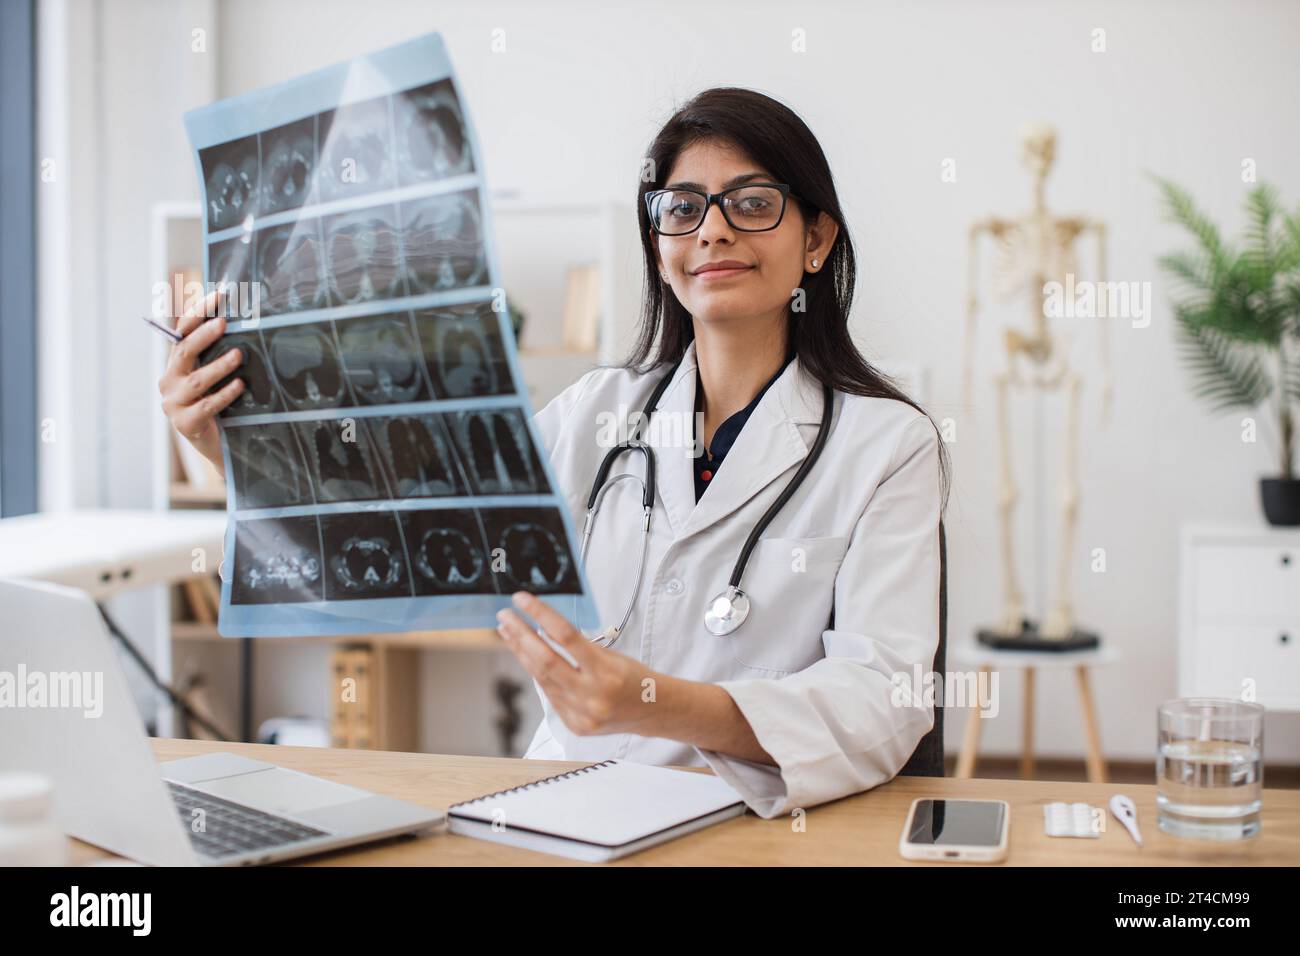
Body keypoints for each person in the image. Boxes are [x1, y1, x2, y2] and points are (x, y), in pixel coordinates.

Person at [158, 87, 948, 819]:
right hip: (566, 803)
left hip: (750, 820)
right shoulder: (598, 412)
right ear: (659, 242)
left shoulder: (886, 445)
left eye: (752, 203)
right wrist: (230, 446)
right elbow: (415, 542)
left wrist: (651, 702)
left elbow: (887, 697)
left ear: (815, 239)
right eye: (683, 207)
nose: (712, 229)